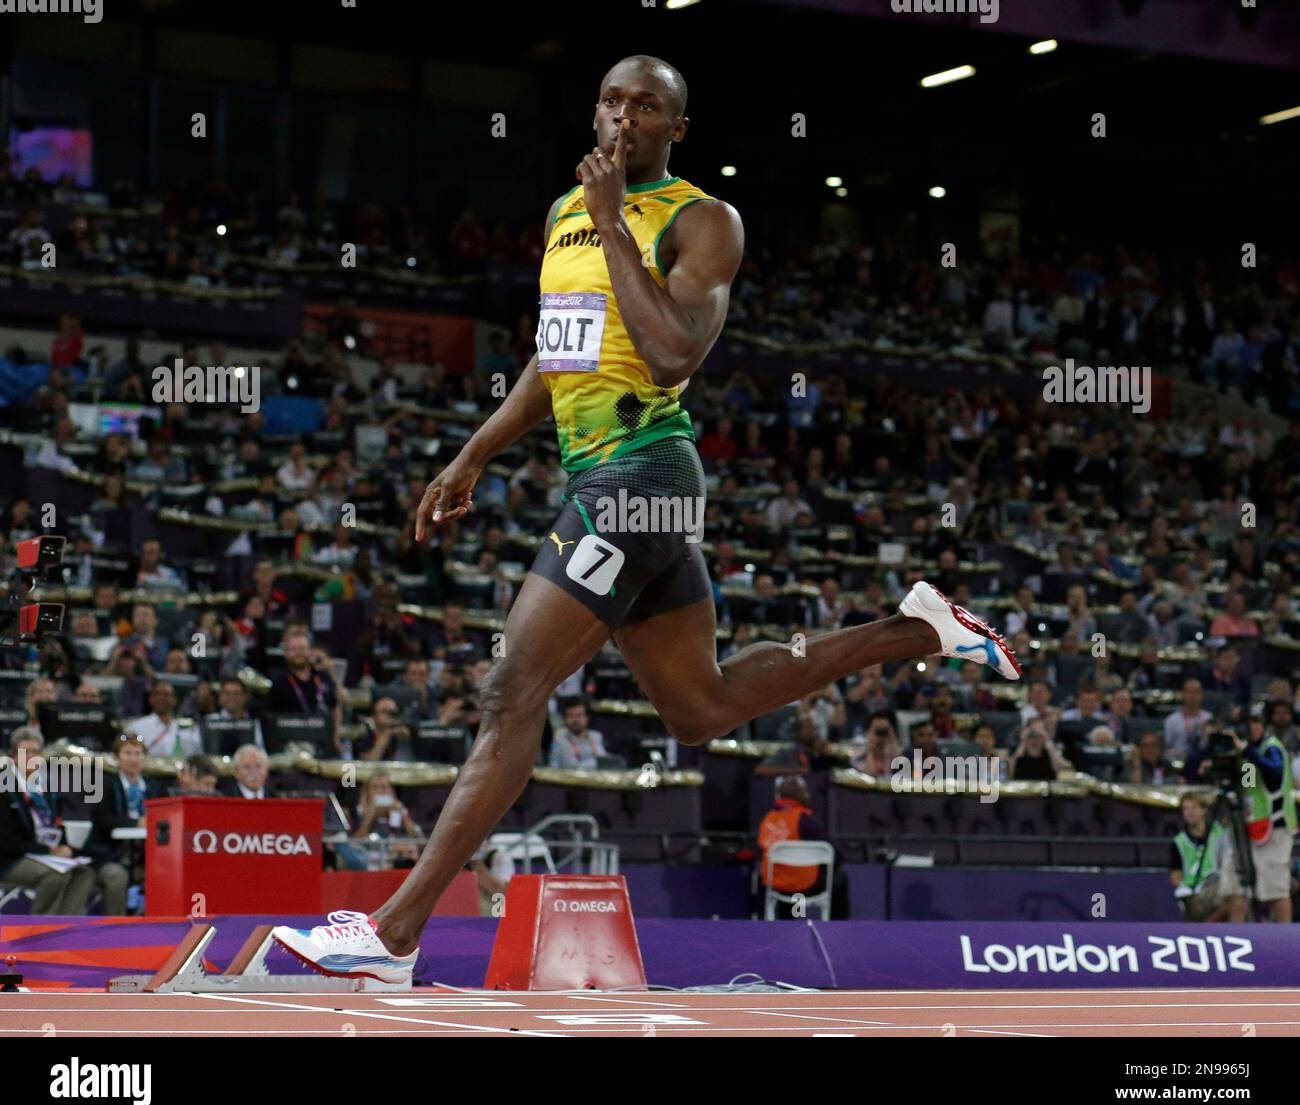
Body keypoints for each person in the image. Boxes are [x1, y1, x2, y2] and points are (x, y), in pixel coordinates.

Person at [272, 55, 1019, 984]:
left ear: (676, 130)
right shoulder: (560, 213)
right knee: (699, 706)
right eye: (613, 101)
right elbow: (558, 356)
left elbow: (669, 355)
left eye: (648, 106)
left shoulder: (704, 220)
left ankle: (392, 934)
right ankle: (920, 628)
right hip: (604, 474)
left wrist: (617, 217)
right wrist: (476, 450)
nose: (625, 117)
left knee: (512, 688)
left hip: (645, 472)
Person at [0, 727, 95, 914]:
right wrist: (48, 851)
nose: (32, 757)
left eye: (36, 752)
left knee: (84, 874)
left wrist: (65, 845)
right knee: (54, 876)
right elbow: (4, 838)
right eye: (26, 752)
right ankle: (38, 931)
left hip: (44, 853)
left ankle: (64, 930)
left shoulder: (46, 786)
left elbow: (57, 822)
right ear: (13, 757)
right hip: (11, 858)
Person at [1217, 714, 1295, 923]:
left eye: (1256, 723)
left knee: (1275, 889)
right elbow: (1250, 786)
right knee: (1238, 887)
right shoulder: (1248, 758)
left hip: (1275, 826)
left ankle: (1284, 939)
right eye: (1248, 723)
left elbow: (1274, 774)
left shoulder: (1271, 747)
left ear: (1264, 725)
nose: (1252, 728)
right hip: (1250, 826)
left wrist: (1247, 751)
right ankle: (1238, 937)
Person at [85, 733, 160, 916]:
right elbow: (102, 820)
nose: (133, 759)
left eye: (138, 753)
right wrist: (136, 823)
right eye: (128, 753)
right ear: (116, 758)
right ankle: (116, 929)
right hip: (110, 854)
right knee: (116, 876)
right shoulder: (104, 785)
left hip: (145, 856)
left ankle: (158, 926)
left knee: (165, 873)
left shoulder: (153, 787)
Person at [755, 775, 848, 919]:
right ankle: (837, 928)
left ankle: (785, 926)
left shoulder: (767, 820)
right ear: (803, 795)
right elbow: (836, 854)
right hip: (805, 887)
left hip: (776, 886)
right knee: (840, 876)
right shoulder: (806, 820)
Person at [1170, 793, 1229, 923]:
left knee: (1233, 897)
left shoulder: (1219, 832)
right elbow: (1175, 875)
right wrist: (1183, 887)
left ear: (1204, 811)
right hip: (1194, 892)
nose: (1189, 813)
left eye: (1194, 808)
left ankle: (1206, 926)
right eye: (1186, 809)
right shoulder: (1179, 841)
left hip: (1218, 884)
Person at [125, 680, 202, 757]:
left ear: (174, 700)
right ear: (150, 699)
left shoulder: (189, 728)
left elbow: (197, 754)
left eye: (167, 694)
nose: (162, 698)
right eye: (158, 694)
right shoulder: (136, 727)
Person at [548, 697, 607, 770]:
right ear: (565, 719)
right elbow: (556, 769)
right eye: (571, 716)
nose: (575, 720)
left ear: (587, 718)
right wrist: (595, 763)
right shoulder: (559, 742)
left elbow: (604, 762)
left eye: (579, 715)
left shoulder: (596, 736)